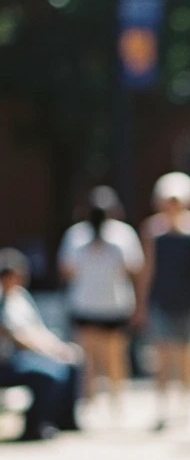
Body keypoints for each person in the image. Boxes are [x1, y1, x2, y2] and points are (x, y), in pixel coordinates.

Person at [136, 172, 190, 431]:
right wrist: (140, 303)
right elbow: (147, 269)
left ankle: (185, 404)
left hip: (188, 300)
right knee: (161, 356)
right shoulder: (152, 231)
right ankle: (162, 406)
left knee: (186, 355)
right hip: (161, 299)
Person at [58, 186, 144, 410]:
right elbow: (67, 270)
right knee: (87, 357)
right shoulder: (76, 235)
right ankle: (89, 399)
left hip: (114, 305)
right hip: (85, 304)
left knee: (115, 355)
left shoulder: (123, 235)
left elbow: (133, 267)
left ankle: (117, 398)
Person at [0, 248, 81, 441]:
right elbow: (16, 337)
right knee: (48, 375)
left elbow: (37, 329)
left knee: (72, 363)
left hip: (26, 356)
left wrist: (58, 348)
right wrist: (47, 352)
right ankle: (34, 425)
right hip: (7, 362)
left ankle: (64, 420)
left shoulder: (21, 297)